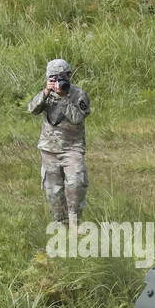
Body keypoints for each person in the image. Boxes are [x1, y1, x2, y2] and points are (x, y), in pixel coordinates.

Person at [26, 58, 92, 228]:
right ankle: (60, 223)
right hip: (49, 148)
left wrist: (63, 98)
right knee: (53, 190)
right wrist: (46, 92)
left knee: (76, 183)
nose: (59, 82)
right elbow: (32, 109)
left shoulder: (79, 95)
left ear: (69, 76)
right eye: (54, 78)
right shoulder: (46, 94)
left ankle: (75, 221)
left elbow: (78, 118)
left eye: (62, 77)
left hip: (72, 148)